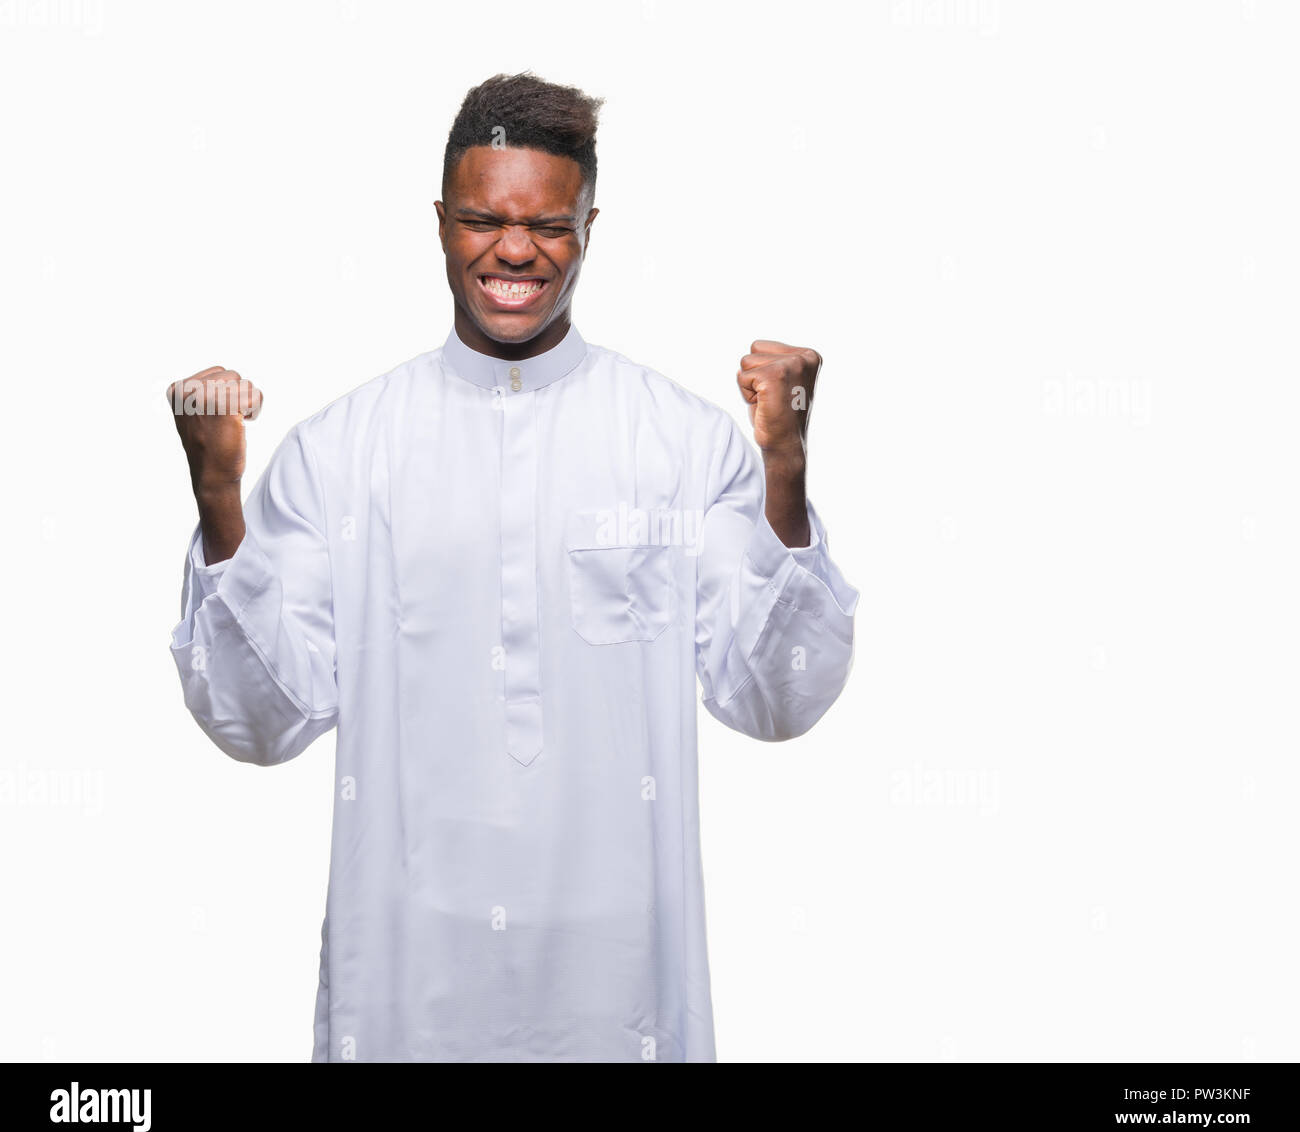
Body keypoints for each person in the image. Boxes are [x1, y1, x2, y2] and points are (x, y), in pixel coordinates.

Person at [166, 71, 859, 1062]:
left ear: (588, 227)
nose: (515, 250)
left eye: (550, 225)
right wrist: (219, 500)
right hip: (408, 986)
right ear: (441, 222)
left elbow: (774, 699)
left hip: (621, 995)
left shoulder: (678, 441)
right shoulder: (345, 449)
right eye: (485, 218)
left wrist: (783, 468)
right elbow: (261, 719)